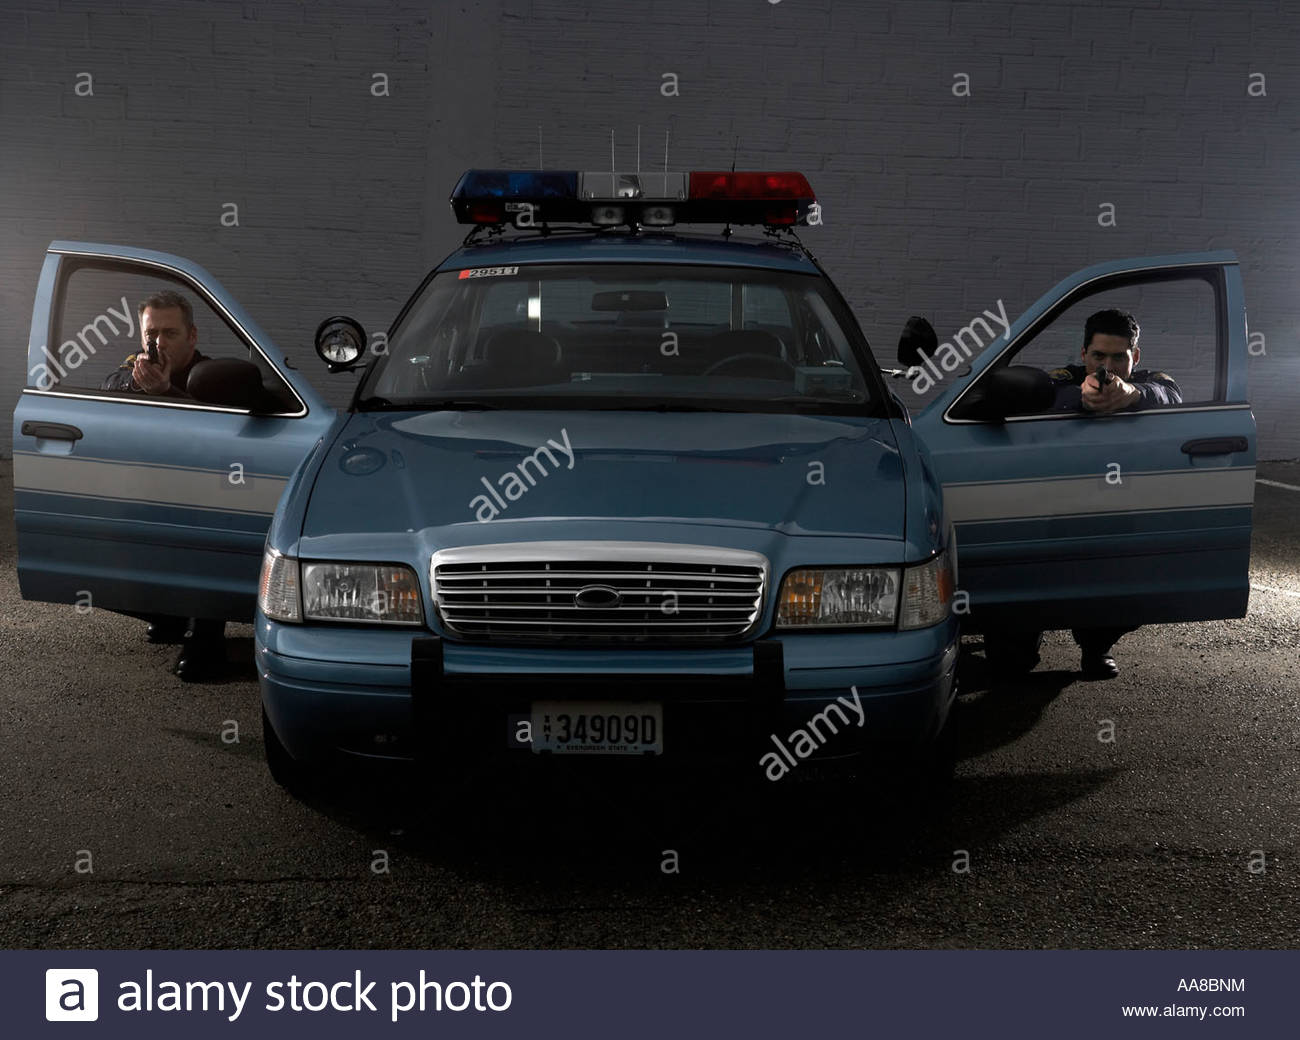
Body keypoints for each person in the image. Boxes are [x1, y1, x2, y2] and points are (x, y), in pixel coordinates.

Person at [989, 309, 1183, 681]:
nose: (1106, 366)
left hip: (1117, 513)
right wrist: (1079, 400)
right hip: (1051, 509)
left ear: (1135, 357)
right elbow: (1041, 394)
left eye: (1118, 357)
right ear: (1083, 355)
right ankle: (1021, 643)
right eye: (1098, 356)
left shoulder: (1148, 382)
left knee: (1128, 583)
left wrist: (1131, 395)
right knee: (1016, 634)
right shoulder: (1065, 380)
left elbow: (1169, 394)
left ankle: (1096, 645)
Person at [101, 290, 226, 681]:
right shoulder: (135, 368)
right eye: (150, 333)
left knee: (209, 545)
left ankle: (203, 638)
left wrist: (167, 392)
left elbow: (217, 423)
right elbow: (110, 386)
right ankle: (168, 616)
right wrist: (140, 384)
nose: (158, 343)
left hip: (206, 494)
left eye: (169, 333)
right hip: (149, 491)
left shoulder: (211, 374)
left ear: (192, 336)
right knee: (104, 556)